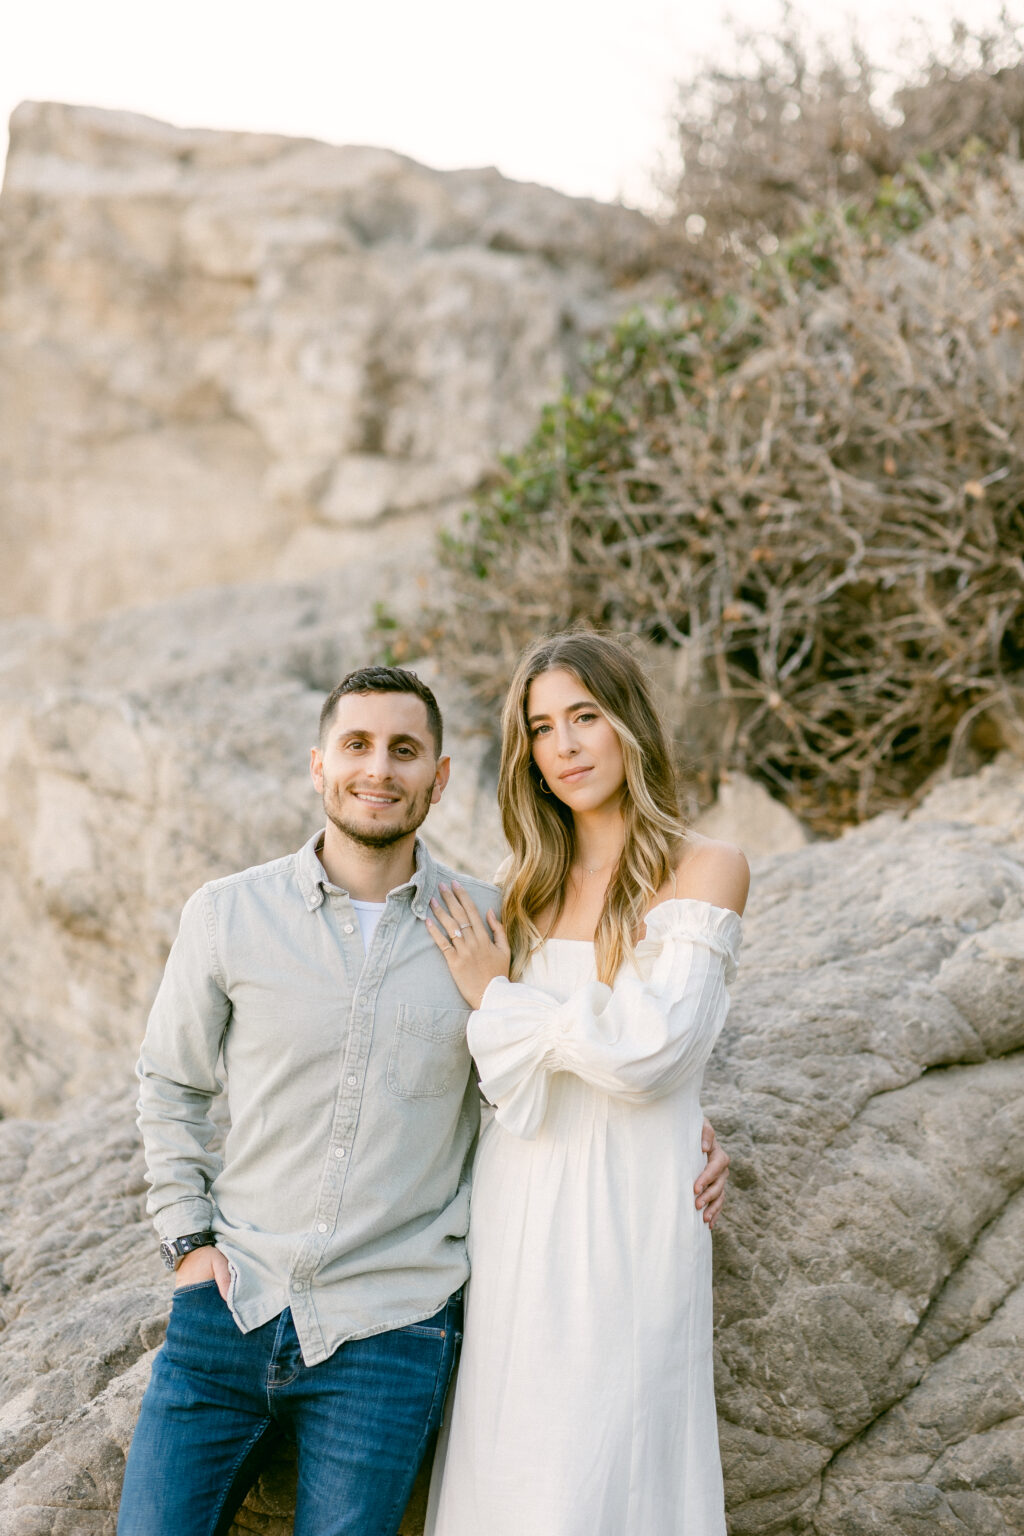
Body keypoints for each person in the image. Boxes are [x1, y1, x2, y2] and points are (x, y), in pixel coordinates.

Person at [118, 663, 731, 1536]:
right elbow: (170, 1083)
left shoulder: (489, 922)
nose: (380, 769)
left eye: (405, 750)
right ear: (318, 765)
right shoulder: (228, 914)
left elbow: (565, 1050)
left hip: (393, 1328)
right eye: (357, 746)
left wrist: (685, 1125)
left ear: (441, 777)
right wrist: (188, 1243)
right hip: (234, 1303)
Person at [424, 631, 749, 1536]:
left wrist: (501, 994)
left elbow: (651, 1053)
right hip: (519, 1199)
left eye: (584, 717)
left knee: (613, 1458)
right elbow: (503, 1073)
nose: (563, 745)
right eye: (540, 728)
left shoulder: (705, 867)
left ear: (628, 726)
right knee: (514, 1463)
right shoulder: (518, 891)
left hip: (636, 1206)